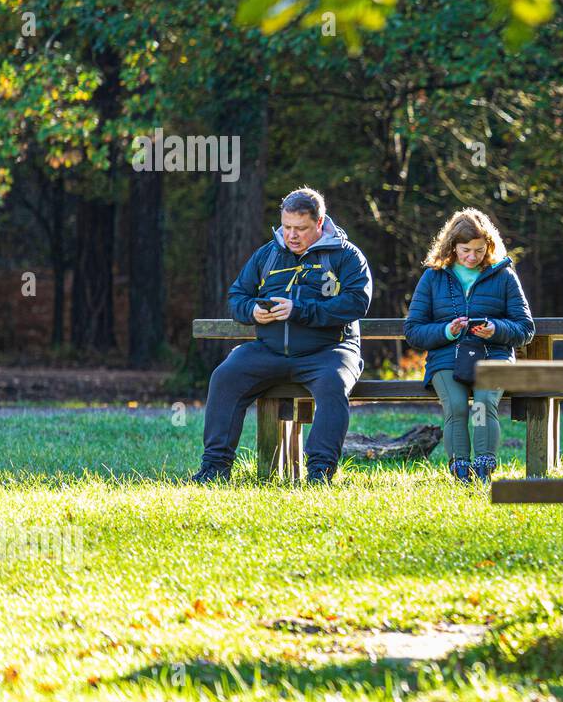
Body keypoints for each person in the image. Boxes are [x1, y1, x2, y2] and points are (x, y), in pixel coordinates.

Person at [191, 187, 373, 484]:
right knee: (225, 376)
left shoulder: (346, 256)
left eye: (300, 228)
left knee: (333, 385)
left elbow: (356, 303)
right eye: (286, 227)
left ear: (319, 222)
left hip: (330, 351)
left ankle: (320, 472)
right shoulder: (269, 254)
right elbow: (237, 296)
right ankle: (215, 468)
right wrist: (252, 311)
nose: (291, 235)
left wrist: (299, 310)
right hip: (270, 351)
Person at [404, 208, 535, 484]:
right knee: (457, 406)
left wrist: (496, 329)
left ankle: (484, 467)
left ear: (489, 246)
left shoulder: (504, 276)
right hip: (446, 358)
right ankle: (461, 470)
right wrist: (446, 331)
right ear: (452, 246)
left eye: (479, 250)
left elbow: (525, 328)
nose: (472, 257)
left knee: (483, 404)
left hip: (491, 356)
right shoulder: (433, 277)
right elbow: (413, 331)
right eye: (465, 250)